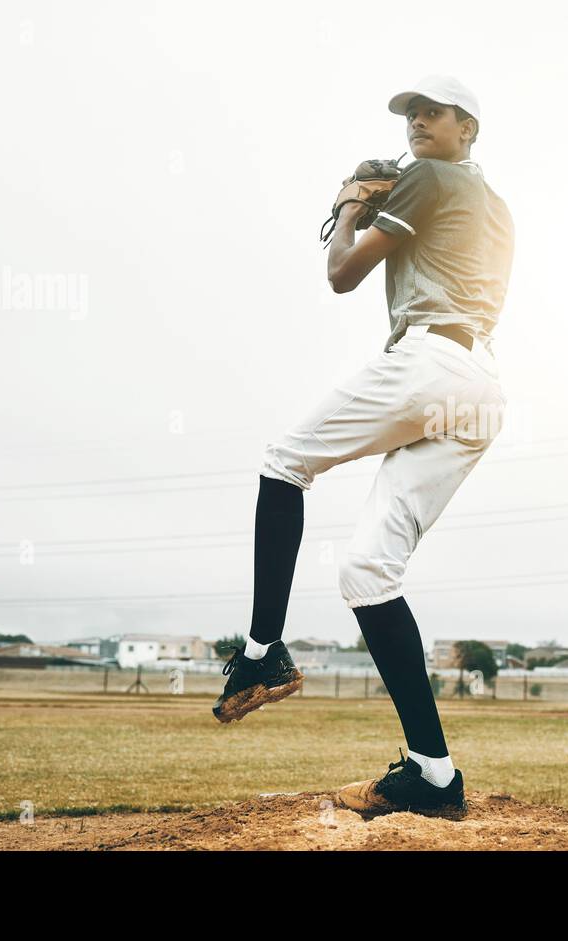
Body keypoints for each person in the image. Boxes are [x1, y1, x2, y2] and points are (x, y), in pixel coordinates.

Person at [212, 75, 515, 819]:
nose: (417, 121)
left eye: (434, 112)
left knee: (285, 461)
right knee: (369, 570)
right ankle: (434, 774)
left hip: (430, 362)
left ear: (467, 128)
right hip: (479, 388)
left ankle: (260, 654)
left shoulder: (431, 176)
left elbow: (343, 273)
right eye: (411, 112)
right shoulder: (495, 203)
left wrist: (351, 209)